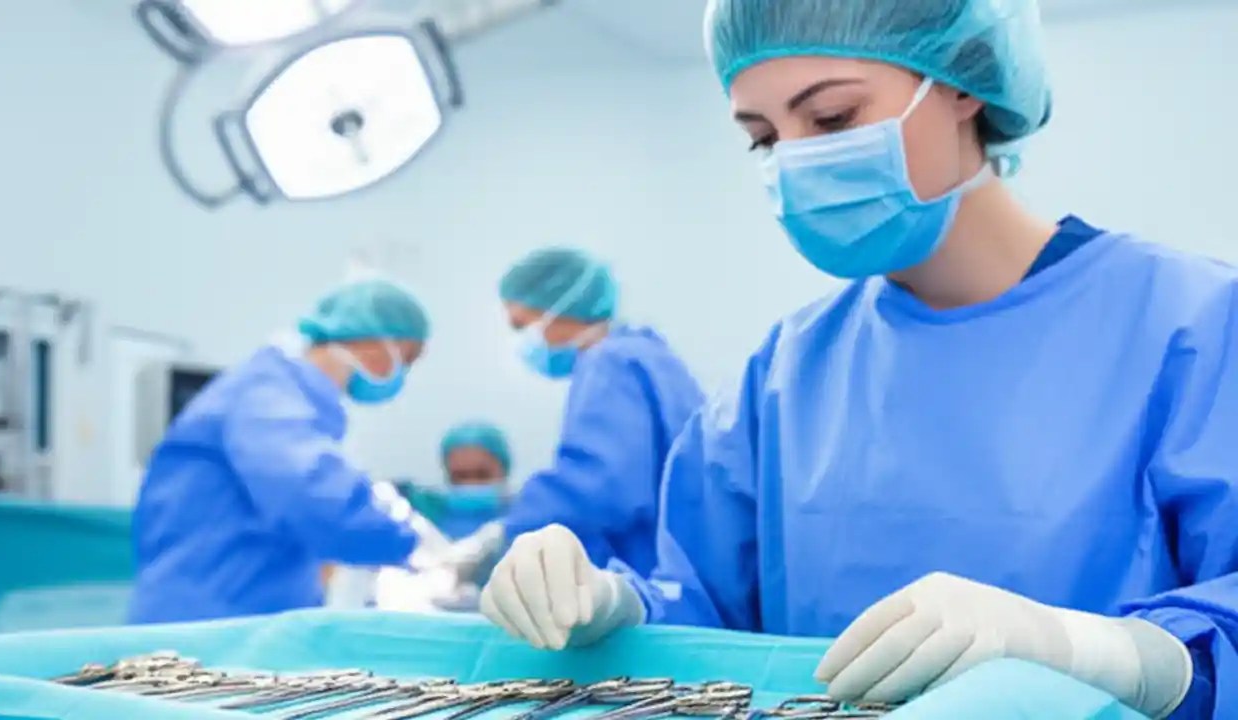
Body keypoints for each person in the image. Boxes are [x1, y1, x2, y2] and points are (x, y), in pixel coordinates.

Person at [477, 2, 1238, 718]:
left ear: (963, 85)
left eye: (833, 117)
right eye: (763, 138)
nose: (798, 161)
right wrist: (611, 609)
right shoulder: (784, 372)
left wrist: (1108, 656)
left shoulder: (1192, 325)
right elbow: (709, 617)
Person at [130, 279, 432, 623]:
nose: (402, 373)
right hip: (203, 623)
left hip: (236, 616)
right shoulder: (265, 395)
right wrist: (414, 546)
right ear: (376, 342)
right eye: (405, 358)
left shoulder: (290, 401)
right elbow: (313, 497)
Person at [440, 248, 704, 581]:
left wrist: (508, 533)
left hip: (647, 572)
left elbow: (600, 483)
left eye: (520, 324)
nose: (521, 338)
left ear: (557, 309)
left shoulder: (609, 363)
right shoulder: (650, 358)